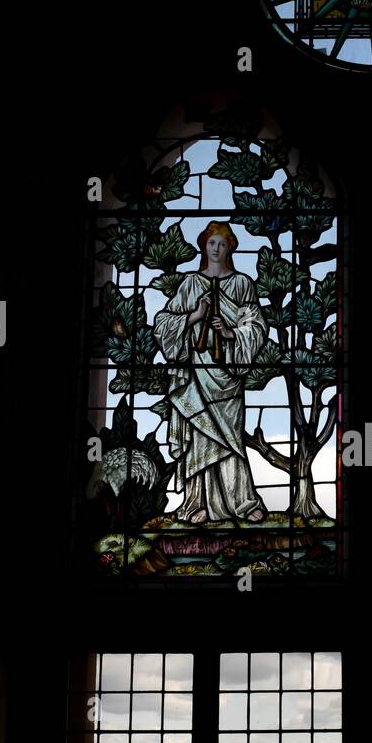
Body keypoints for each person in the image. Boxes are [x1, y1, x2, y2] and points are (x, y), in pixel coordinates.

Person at [153, 222, 268, 524]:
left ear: (231, 247)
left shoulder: (242, 285)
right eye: (211, 242)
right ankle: (197, 502)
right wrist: (195, 316)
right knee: (200, 436)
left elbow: (255, 327)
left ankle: (241, 502)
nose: (216, 248)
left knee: (230, 439)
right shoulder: (190, 284)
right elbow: (164, 323)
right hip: (195, 374)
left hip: (229, 374)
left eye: (223, 243)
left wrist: (231, 333)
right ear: (204, 246)